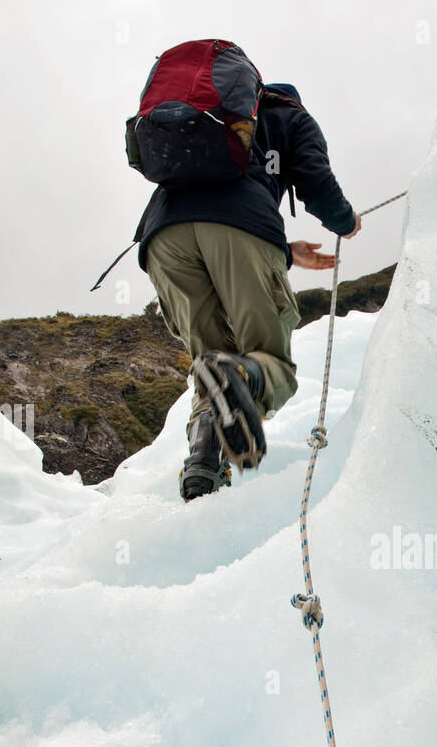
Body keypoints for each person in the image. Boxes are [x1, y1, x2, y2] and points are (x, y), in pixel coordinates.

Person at [133, 81, 361, 499]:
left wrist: (286, 254)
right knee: (266, 360)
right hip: (243, 224)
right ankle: (241, 378)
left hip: (163, 238)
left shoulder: (215, 120)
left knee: (211, 363)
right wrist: (345, 222)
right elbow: (314, 177)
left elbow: (212, 227)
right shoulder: (291, 116)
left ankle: (204, 467)